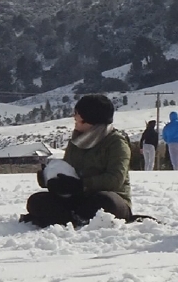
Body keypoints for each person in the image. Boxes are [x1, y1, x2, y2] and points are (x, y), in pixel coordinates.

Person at [21, 94, 131, 228]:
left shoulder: (116, 143)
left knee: (104, 200)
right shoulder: (76, 142)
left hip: (109, 198)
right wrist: (51, 179)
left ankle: (68, 217)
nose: (75, 119)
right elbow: (67, 169)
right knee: (36, 201)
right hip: (77, 198)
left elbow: (115, 179)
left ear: (93, 122)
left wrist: (81, 185)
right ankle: (73, 217)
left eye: (80, 118)